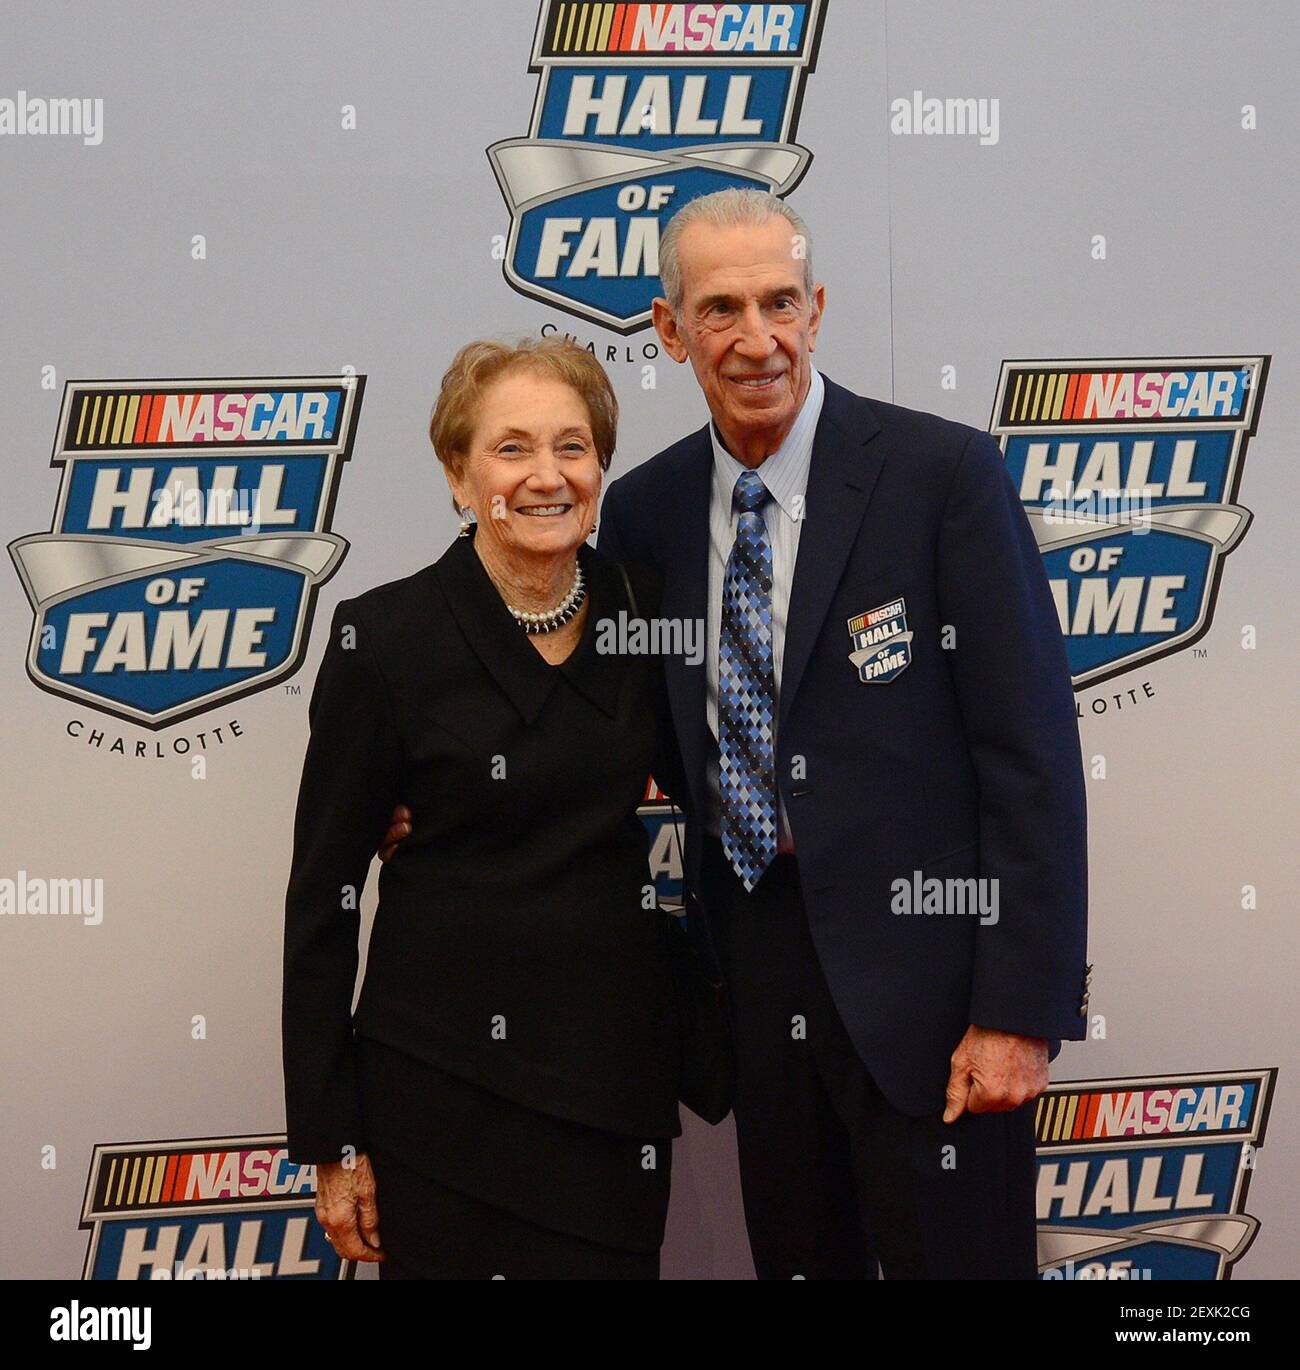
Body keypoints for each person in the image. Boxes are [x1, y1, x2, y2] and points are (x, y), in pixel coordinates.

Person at [281, 336, 728, 1281]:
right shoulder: (383, 639)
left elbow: (727, 794)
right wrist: (331, 1141)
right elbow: (323, 901)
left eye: (573, 447)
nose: (546, 475)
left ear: (602, 467)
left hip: (611, 1091)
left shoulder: (652, 616)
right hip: (438, 1097)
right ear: (458, 472)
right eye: (511, 448)